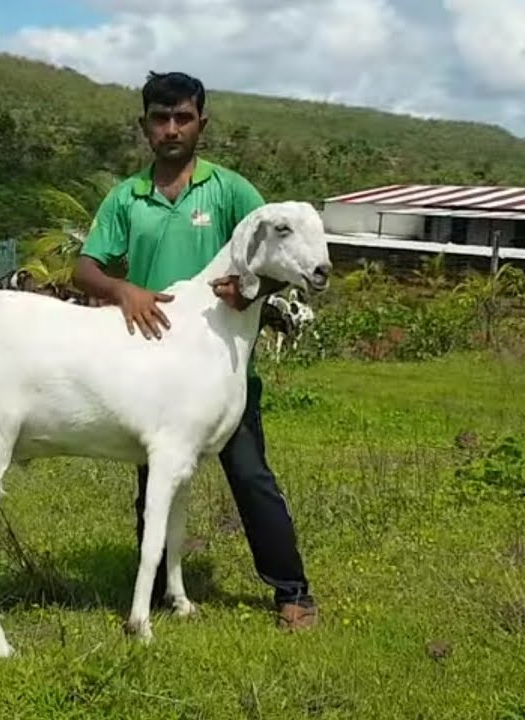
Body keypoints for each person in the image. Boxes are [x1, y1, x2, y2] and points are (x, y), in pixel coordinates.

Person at [73, 71, 318, 631]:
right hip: (152, 372)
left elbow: (283, 251)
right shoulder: (125, 198)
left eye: (182, 117)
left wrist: (254, 288)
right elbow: (84, 268)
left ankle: (293, 592)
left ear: (201, 123)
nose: (171, 129)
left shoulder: (231, 191)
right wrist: (122, 290)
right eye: (160, 119)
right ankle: (158, 587)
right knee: (154, 479)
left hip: (222, 374)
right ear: (144, 127)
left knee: (251, 476)